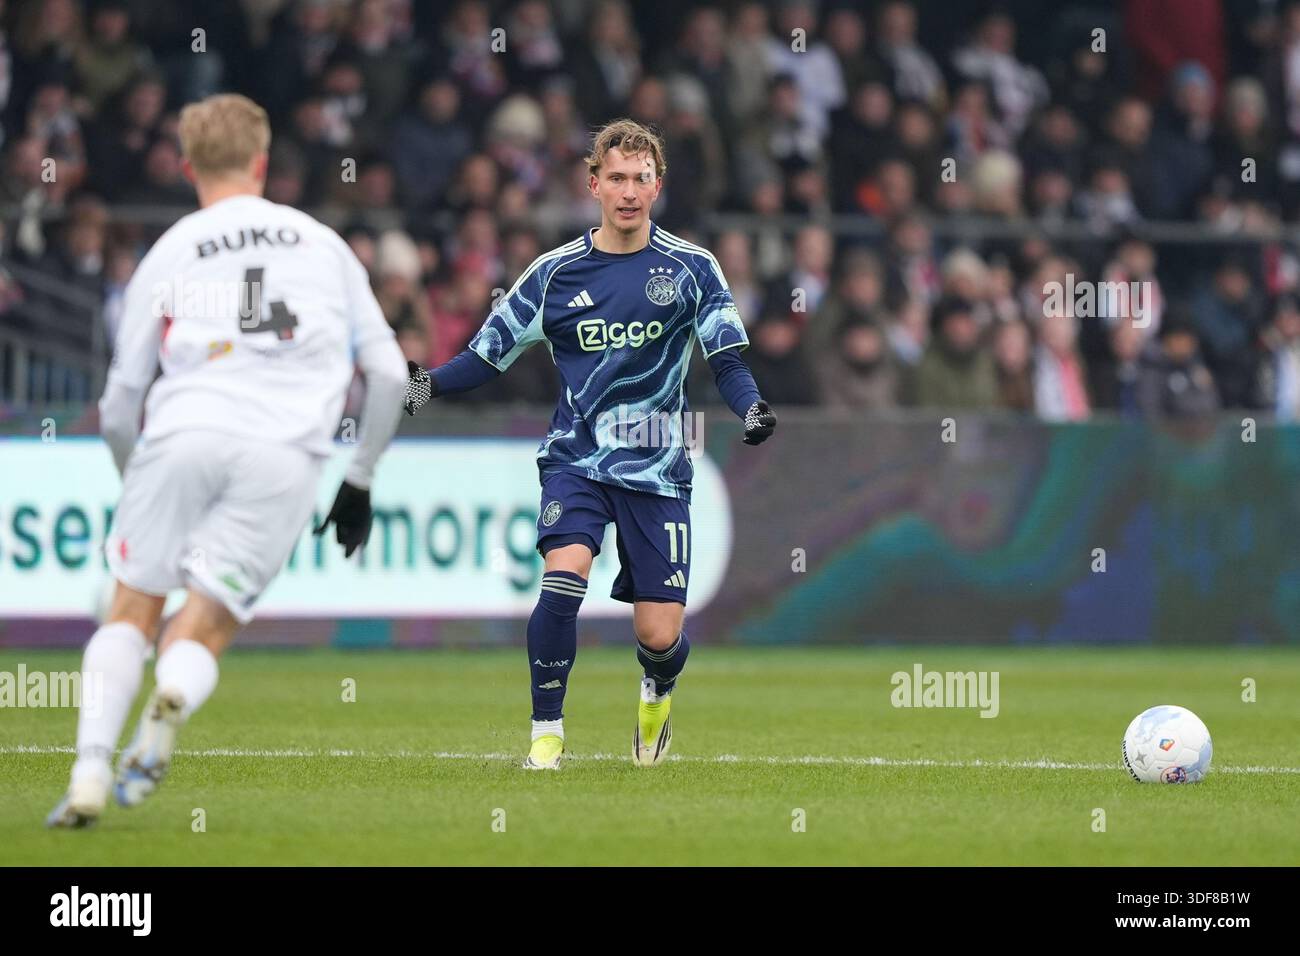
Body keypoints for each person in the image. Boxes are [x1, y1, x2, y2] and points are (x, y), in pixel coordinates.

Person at [47, 94, 407, 827]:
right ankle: (172, 697)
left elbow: (120, 401)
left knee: (131, 609)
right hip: (286, 455)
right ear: (264, 162)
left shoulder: (174, 246)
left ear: (186, 166)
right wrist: (359, 480)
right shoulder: (324, 244)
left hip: (184, 431)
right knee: (205, 625)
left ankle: (88, 771)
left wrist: (137, 475)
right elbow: (394, 376)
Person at [405, 118, 776, 769]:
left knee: (659, 635)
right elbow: (486, 357)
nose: (628, 191)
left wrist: (751, 409)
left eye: (641, 178)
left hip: (659, 468)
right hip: (576, 458)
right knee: (563, 574)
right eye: (617, 178)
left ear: (657, 184)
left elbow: (728, 363)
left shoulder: (692, 268)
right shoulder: (553, 275)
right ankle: (546, 734)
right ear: (593, 183)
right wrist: (426, 385)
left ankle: (657, 688)